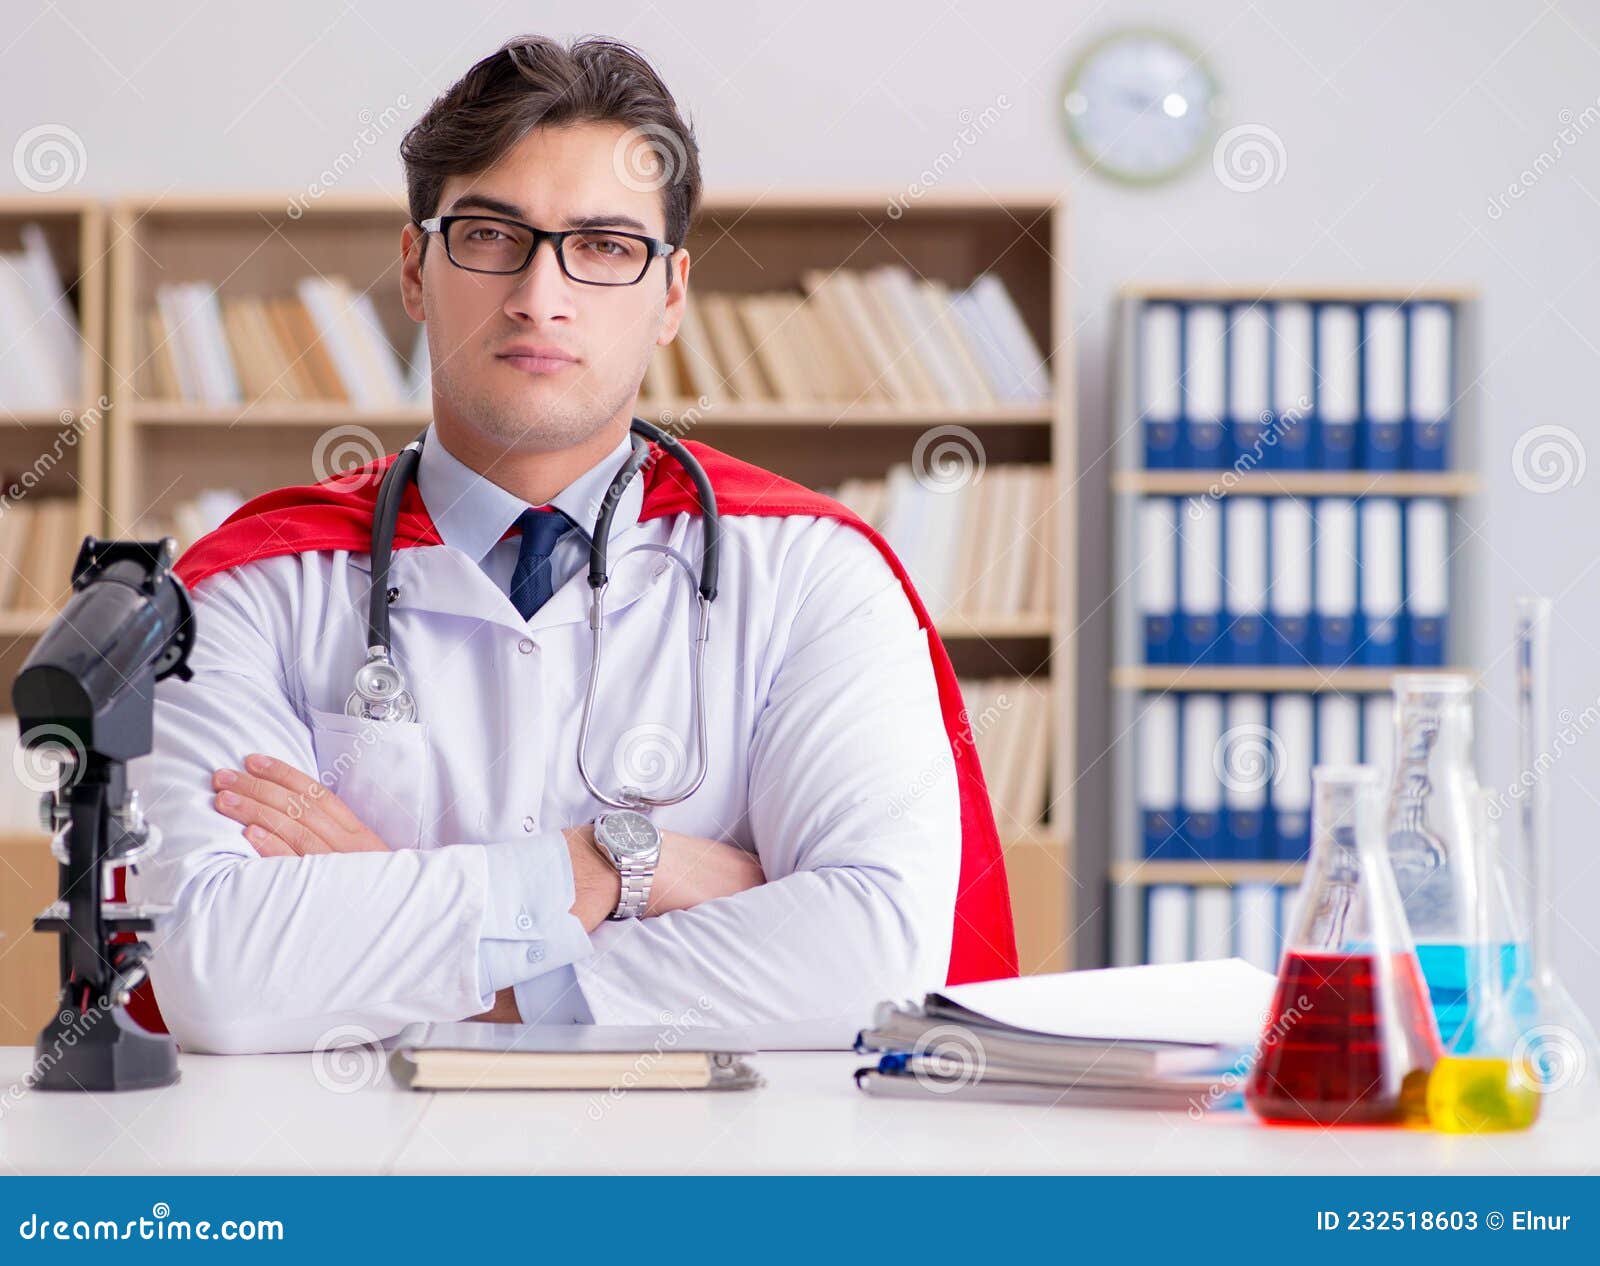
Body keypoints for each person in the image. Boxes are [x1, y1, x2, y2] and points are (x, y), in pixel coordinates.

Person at [128, 34, 1015, 1055]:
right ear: (416, 269)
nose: (540, 295)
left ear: (670, 294)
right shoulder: (248, 589)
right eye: (493, 235)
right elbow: (223, 975)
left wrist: (402, 931)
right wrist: (616, 863)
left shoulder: (817, 575)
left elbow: (875, 957)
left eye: (602, 246)